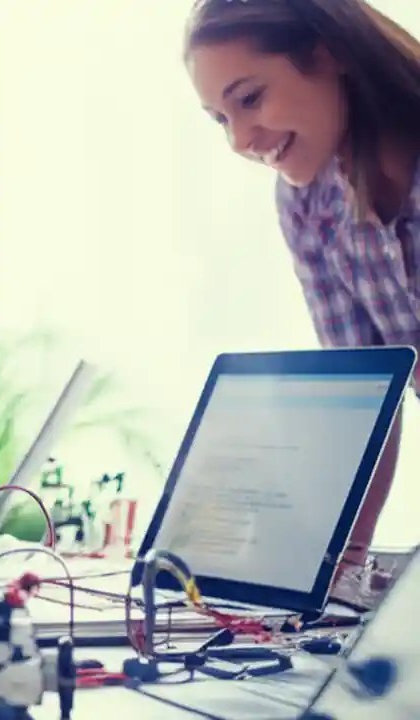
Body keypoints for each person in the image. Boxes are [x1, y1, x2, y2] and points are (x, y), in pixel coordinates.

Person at [183, 0, 420, 604]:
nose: (239, 139)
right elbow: (370, 402)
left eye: (250, 99)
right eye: (219, 118)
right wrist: (336, 579)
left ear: (327, 54)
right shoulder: (307, 203)